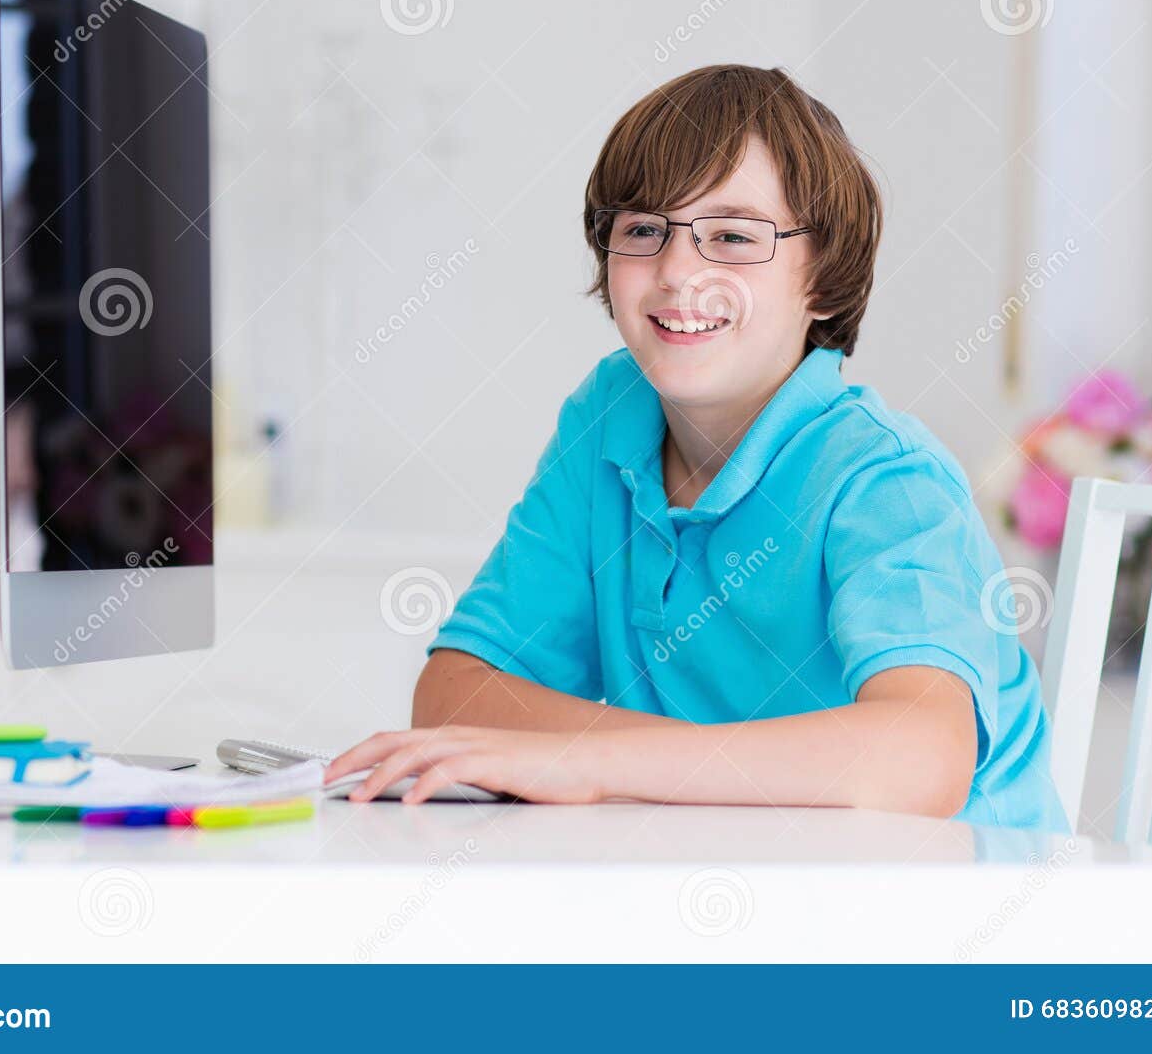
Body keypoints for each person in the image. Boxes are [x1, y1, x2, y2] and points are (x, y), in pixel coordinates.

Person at [326, 64, 1067, 831]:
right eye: (644, 230)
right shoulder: (609, 416)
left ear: (823, 279)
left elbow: (919, 760)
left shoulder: (885, 478)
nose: (679, 272)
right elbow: (457, 696)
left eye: (734, 237)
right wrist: (673, 768)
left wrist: (590, 761)